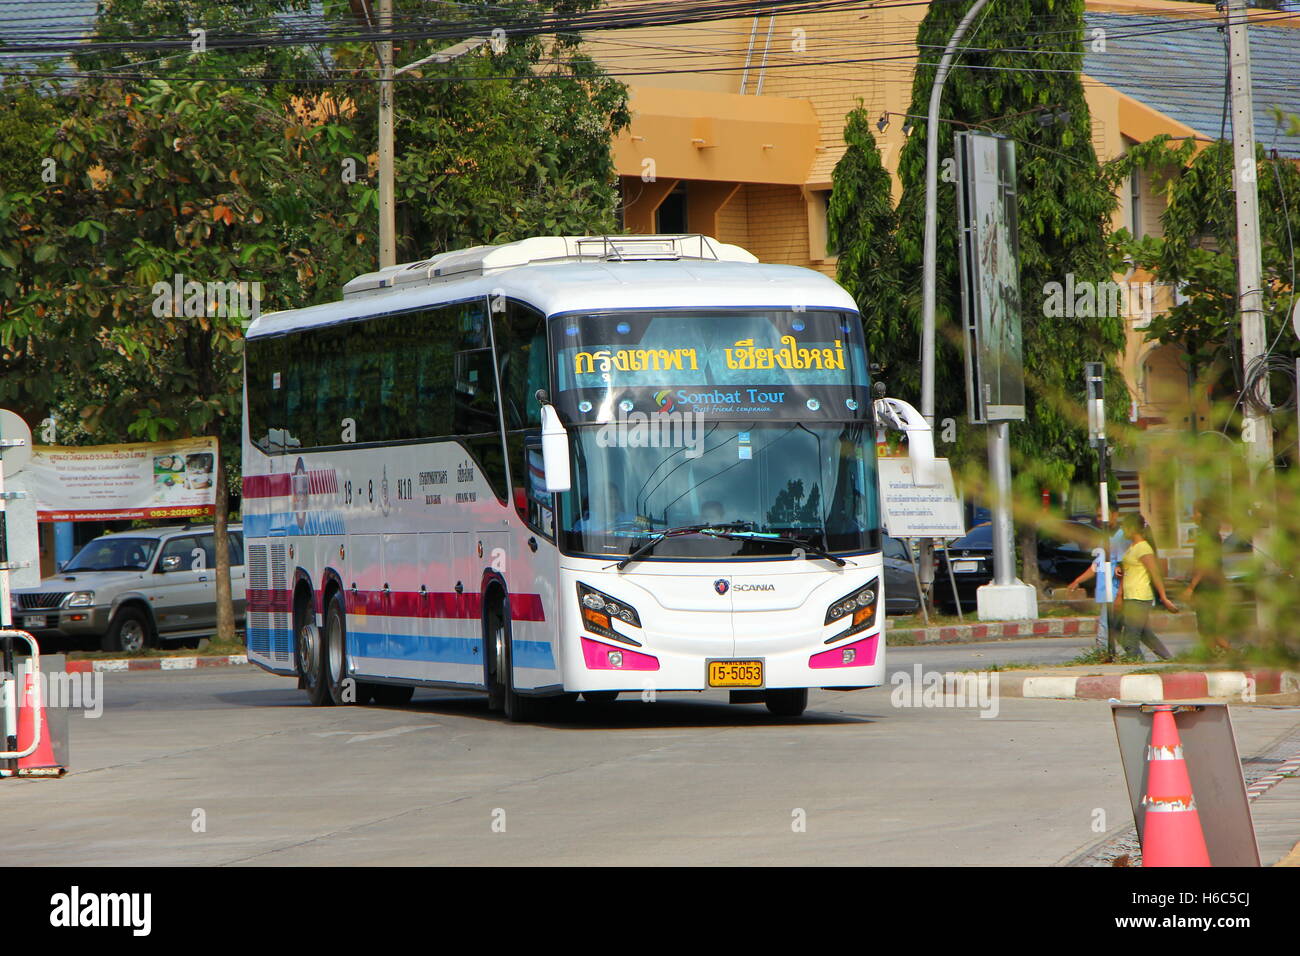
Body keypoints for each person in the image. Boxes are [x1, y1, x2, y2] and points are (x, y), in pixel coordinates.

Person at [1115, 514, 1177, 660]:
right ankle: (1169, 659)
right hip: (1130, 596)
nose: (1122, 530)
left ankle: (1138, 666)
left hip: (1139, 597)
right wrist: (1120, 594)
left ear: (1132, 529)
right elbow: (1129, 571)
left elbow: (1155, 574)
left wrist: (1163, 597)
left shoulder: (1144, 548)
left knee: (1130, 639)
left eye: (1124, 527)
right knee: (1142, 633)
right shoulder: (1132, 547)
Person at [1066, 507, 1127, 655]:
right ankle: (1126, 655)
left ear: (1114, 515)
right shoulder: (1103, 538)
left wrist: (1120, 594)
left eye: (1102, 515)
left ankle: (1105, 657)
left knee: (1105, 630)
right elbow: (1097, 565)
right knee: (1118, 630)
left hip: (1115, 591)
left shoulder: (1122, 537)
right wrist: (1078, 581)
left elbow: (1126, 568)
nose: (1099, 519)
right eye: (1097, 516)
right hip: (1105, 592)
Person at [1186, 498, 1230, 653]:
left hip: (1208, 586)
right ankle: (1213, 657)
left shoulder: (1207, 535)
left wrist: (1191, 587)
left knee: (1209, 628)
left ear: (1201, 514)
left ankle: (1233, 656)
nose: (1193, 516)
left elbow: (1205, 564)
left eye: (1194, 512)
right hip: (1214, 584)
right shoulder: (1212, 533)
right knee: (1208, 628)